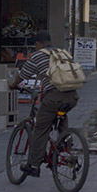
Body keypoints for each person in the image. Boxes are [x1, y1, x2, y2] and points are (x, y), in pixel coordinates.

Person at [8, 30, 79, 177]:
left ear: (38, 43)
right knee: (60, 117)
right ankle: (65, 148)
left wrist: (13, 85)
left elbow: (23, 75)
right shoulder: (62, 53)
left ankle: (34, 165)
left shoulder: (37, 55)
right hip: (72, 96)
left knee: (40, 128)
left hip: (54, 97)